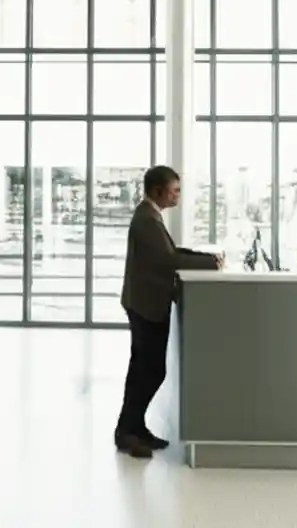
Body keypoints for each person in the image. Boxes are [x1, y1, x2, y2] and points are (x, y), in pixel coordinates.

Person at [115, 165, 224, 459]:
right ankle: (127, 431)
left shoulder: (149, 216)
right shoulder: (146, 219)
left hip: (146, 303)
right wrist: (210, 263)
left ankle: (135, 428)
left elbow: (171, 252)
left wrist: (206, 258)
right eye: (174, 190)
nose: (178, 195)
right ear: (157, 191)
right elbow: (167, 260)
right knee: (148, 371)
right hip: (146, 305)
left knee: (145, 369)